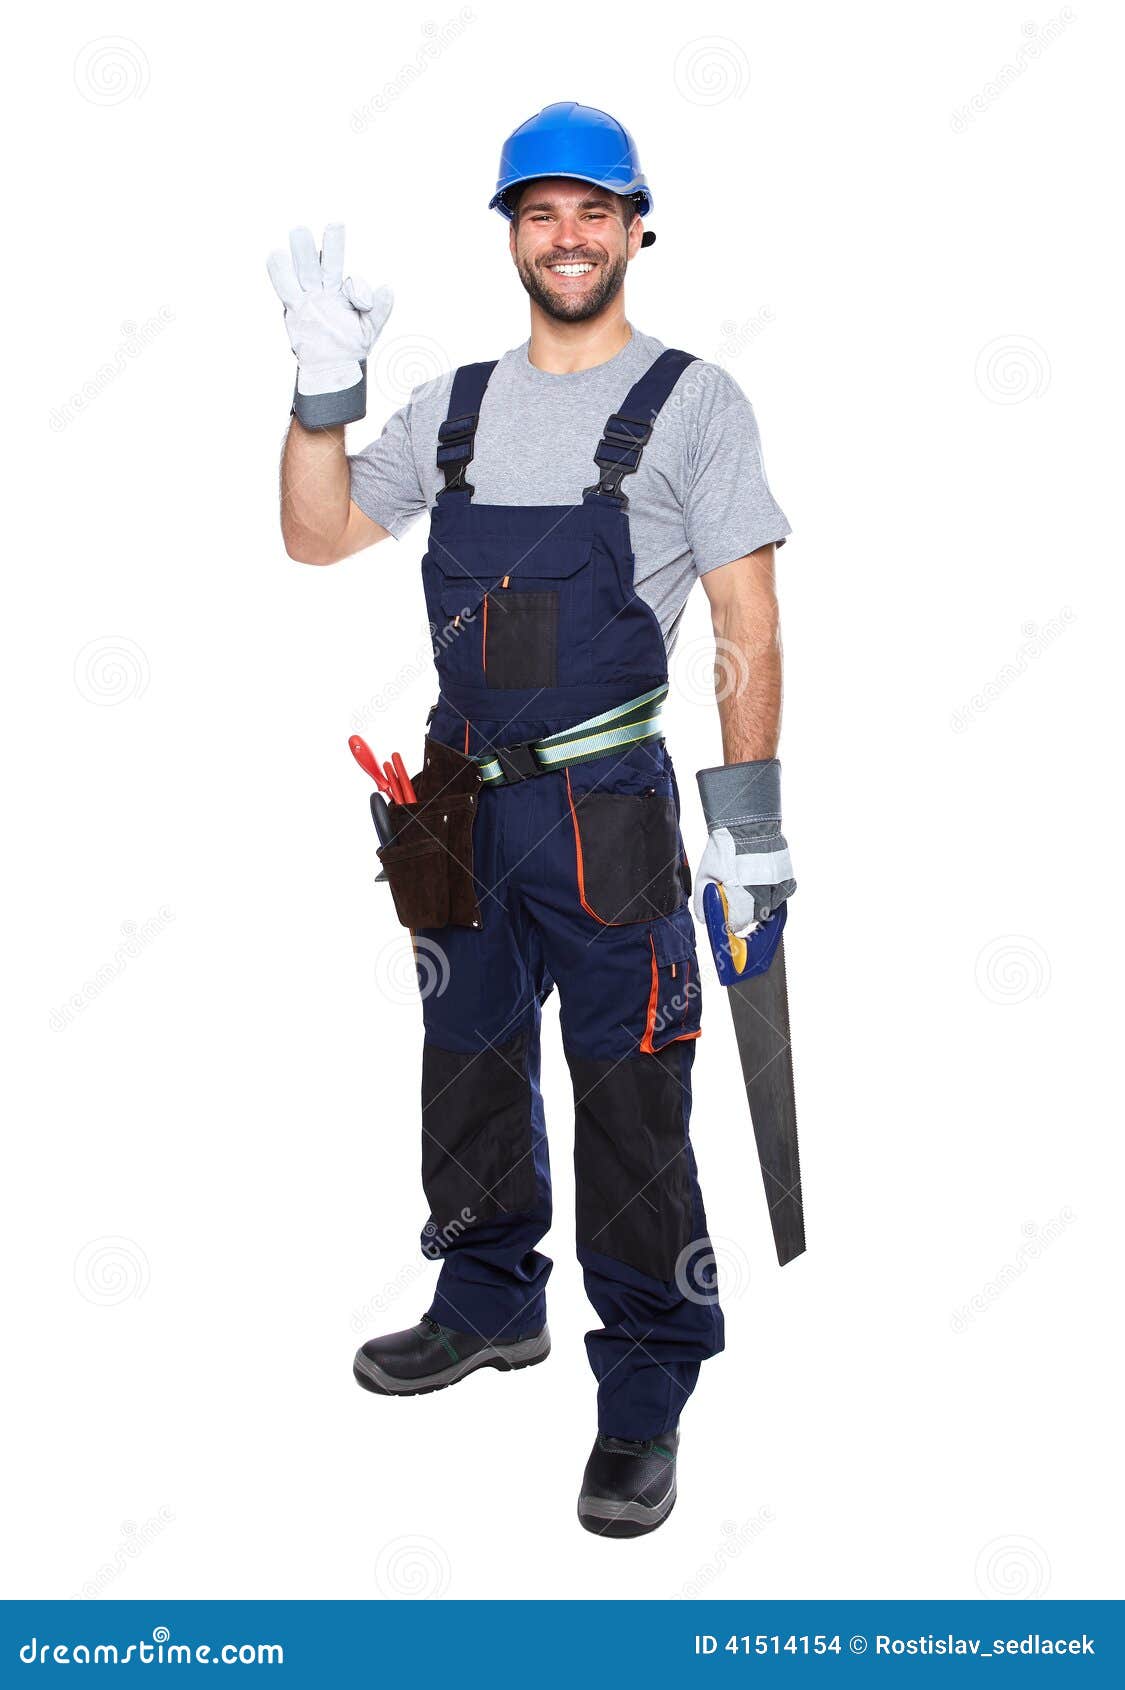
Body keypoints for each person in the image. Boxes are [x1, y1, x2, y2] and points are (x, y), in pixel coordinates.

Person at [270, 100, 795, 1538]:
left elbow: (743, 616)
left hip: (607, 800)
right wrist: (325, 385)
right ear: (508, 233)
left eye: (592, 211)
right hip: (455, 806)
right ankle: (488, 1294)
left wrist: (747, 824)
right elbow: (316, 536)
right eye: (536, 212)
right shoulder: (447, 404)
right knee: (467, 1063)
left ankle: (642, 1387)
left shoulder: (694, 402)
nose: (565, 236)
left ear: (634, 229)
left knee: (632, 1096)